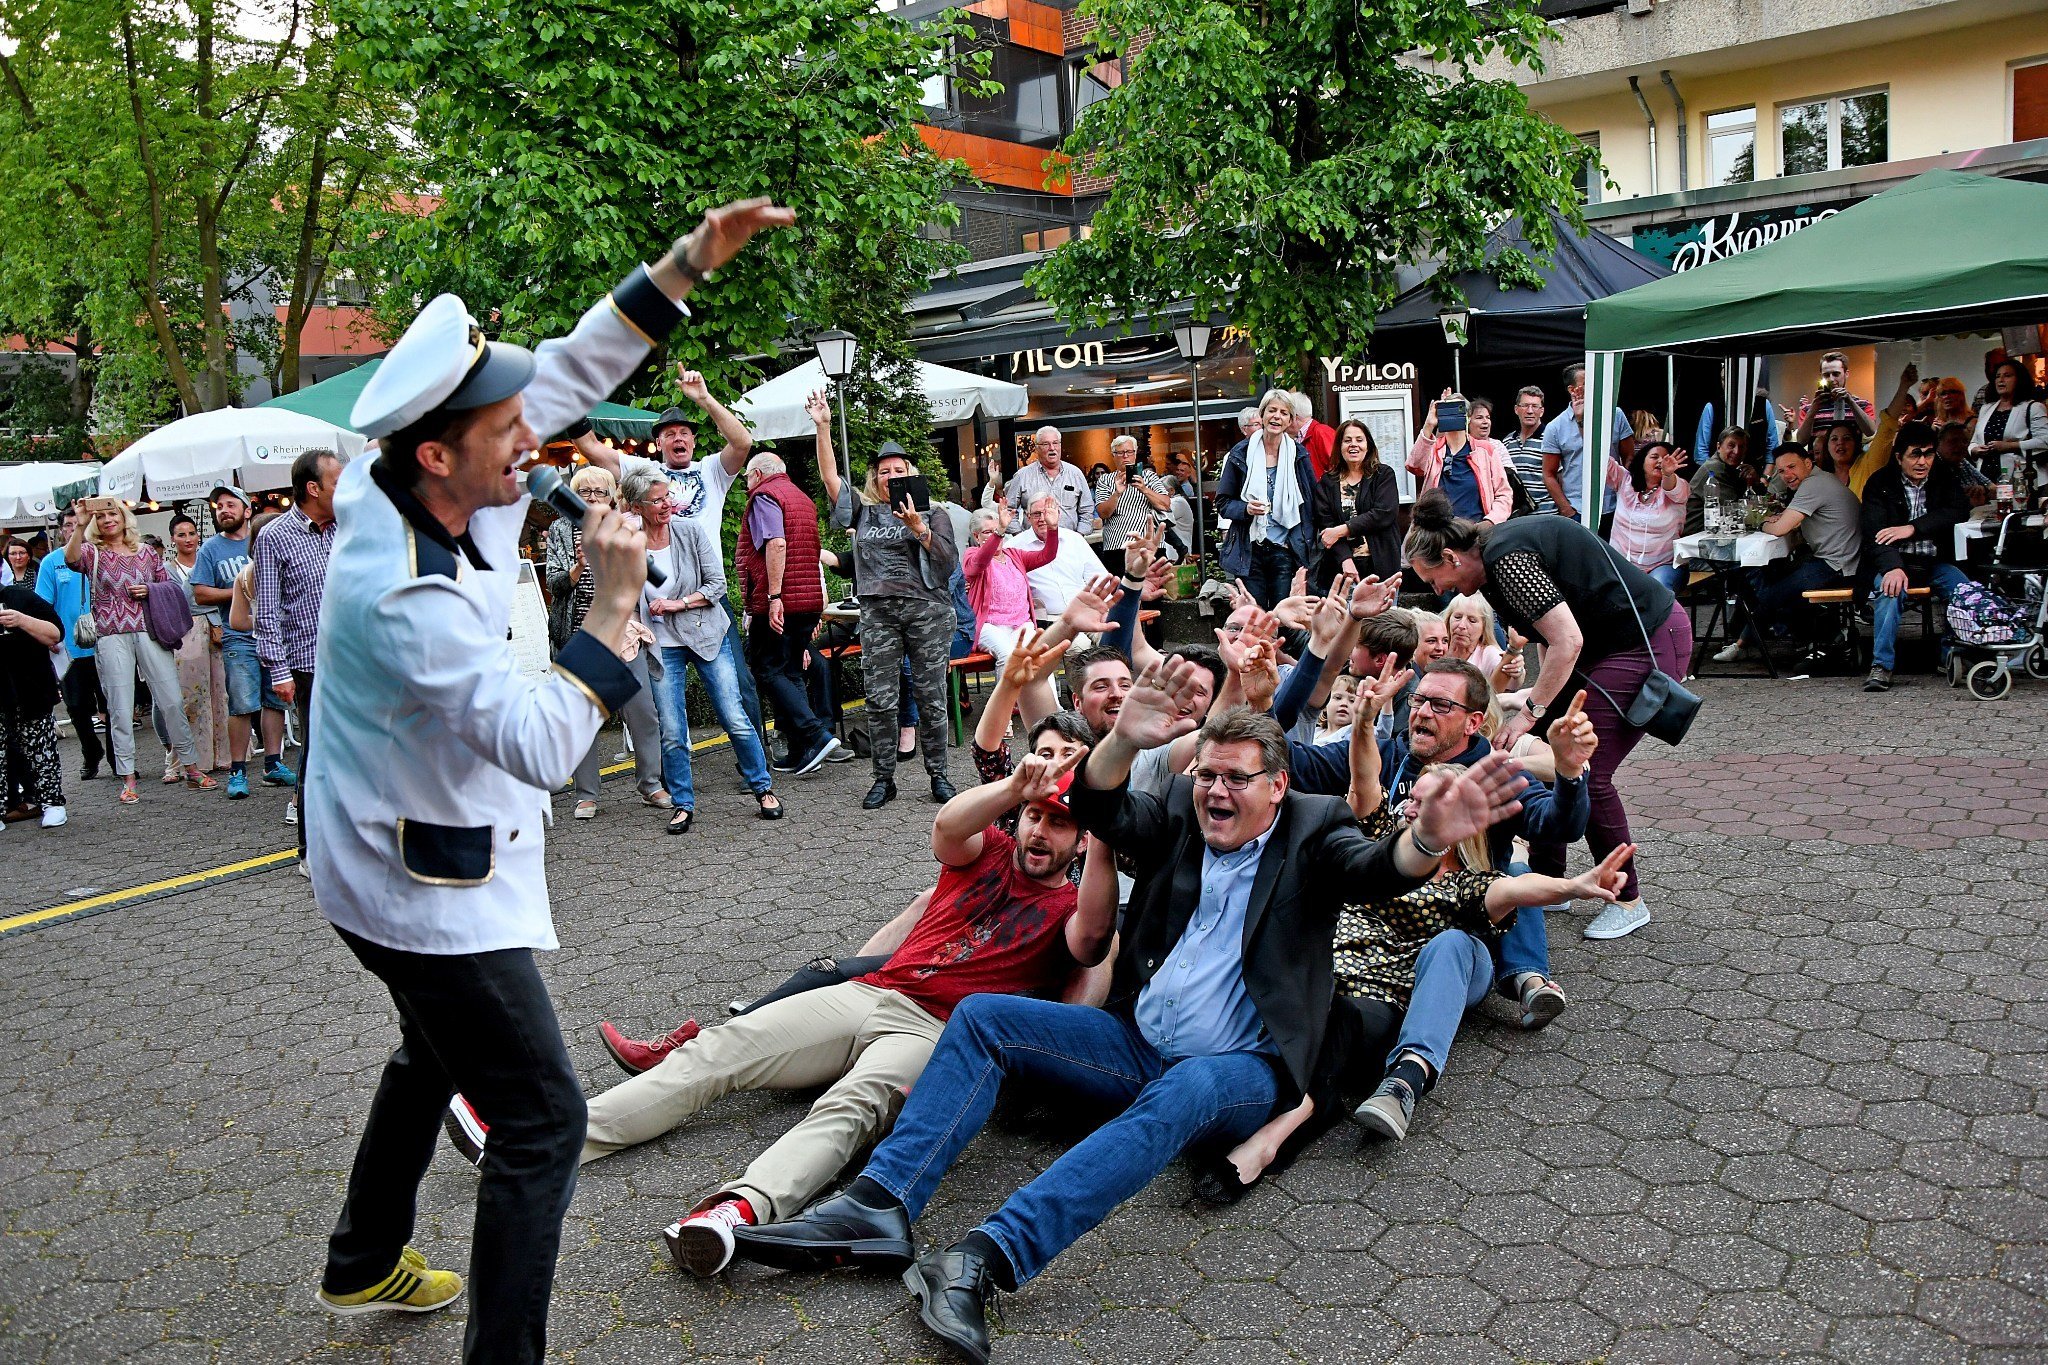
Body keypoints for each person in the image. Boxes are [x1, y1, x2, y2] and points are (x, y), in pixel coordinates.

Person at [306, 196, 790, 1360]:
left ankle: (362, 1259)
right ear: (438, 453)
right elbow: (537, 744)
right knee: (541, 1119)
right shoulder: (404, 589)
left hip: (384, 844)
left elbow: (574, 365)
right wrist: (615, 605)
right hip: (418, 889)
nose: (534, 436)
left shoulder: (416, 473)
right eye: (508, 427)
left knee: (433, 1052)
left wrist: (687, 260)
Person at [730, 672, 1529, 1364]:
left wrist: (1427, 836)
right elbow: (1101, 806)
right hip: (1138, 1041)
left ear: (1277, 786)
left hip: (1243, 1070)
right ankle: (879, 1205)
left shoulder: (1314, 828)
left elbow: (1378, 869)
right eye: (1209, 773)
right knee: (982, 1018)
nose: (1217, 791)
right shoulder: (1181, 806)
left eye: (1238, 778)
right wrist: (1119, 739)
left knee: (1184, 1092)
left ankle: (983, 1258)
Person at [459, 754, 1117, 1282]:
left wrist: (1105, 831)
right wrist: (1014, 789)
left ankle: (734, 1212)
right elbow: (948, 826)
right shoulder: (988, 850)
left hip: (936, 1033)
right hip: (869, 993)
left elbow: (1091, 941)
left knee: (850, 1108)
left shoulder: (1071, 908)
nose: (1039, 831)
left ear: (1080, 840)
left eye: (1058, 824)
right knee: (720, 1048)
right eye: (1034, 817)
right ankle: (550, 1140)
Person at [1403, 489, 1692, 941]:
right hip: (1603, 644)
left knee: (1586, 769)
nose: (1437, 591)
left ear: (1450, 557)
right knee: (1552, 749)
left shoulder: (1506, 556)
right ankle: (1548, 881)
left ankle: (1627, 898)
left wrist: (1531, 711)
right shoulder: (1491, 564)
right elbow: (1548, 636)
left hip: (1646, 639)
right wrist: (1542, 709)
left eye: (1433, 578)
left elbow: (1568, 641)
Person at [582, 367, 767, 763]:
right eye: (670, 434)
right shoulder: (645, 473)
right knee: (667, 698)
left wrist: (704, 398)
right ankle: (673, 776)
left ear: (694, 441)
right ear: (659, 443)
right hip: (656, 605)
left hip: (705, 596)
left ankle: (755, 764)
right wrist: (569, 403)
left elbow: (742, 441)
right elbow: (594, 450)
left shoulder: (711, 470)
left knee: (739, 685)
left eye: (685, 432)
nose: (679, 438)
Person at [622, 465, 780, 830]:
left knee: (734, 717)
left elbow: (717, 584)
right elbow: (626, 595)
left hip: (707, 634)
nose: (666, 504)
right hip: (664, 646)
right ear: (636, 507)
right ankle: (683, 803)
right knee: (672, 731)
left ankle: (762, 788)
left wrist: (678, 604)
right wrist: (630, 624)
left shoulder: (689, 531)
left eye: (667, 496)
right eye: (657, 500)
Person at [816, 421, 959, 811]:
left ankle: (939, 775)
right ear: (875, 479)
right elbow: (831, 479)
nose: (892, 476)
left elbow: (947, 563)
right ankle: (883, 779)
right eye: (884, 472)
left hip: (927, 612)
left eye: (899, 470)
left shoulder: (935, 513)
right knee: (880, 699)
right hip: (878, 614)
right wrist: (823, 427)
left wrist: (919, 528)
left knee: (931, 697)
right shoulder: (863, 512)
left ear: (911, 474)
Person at [63, 499, 213, 804]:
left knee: (172, 700)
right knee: (119, 707)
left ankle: (190, 766)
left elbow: (169, 588)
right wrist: (79, 524)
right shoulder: (93, 551)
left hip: (148, 629)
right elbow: (71, 559)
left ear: (124, 517)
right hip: (110, 634)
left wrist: (150, 590)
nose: (108, 520)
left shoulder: (145, 551)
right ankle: (128, 777)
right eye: (101, 516)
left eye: (113, 514)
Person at [545, 465, 666, 818]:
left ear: (612, 498)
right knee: (583, 718)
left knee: (643, 712)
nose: (593, 498)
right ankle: (586, 794)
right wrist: (578, 567)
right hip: (579, 634)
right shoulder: (561, 530)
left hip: (622, 631)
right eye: (585, 492)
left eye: (600, 492)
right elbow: (554, 584)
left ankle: (651, 784)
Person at [255, 448, 341, 861]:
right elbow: (266, 610)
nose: (346, 490)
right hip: (308, 664)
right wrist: (278, 670)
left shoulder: (348, 527)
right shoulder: (275, 536)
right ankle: (311, 852)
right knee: (317, 756)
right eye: (337, 482)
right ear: (313, 488)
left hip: (356, 659)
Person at [735, 446, 837, 777]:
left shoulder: (765, 496)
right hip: (808, 602)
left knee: (767, 670)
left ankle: (815, 735)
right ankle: (800, 751)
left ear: (757, 475)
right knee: (791, 672)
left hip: (781, 601)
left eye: (747, 478)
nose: (747, 484)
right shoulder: (802, 499)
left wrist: (774, 596)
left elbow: (776, 543)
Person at [1714, 443, 1863, 662]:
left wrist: (1761, 522)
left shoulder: (1813, 485)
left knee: (1771, 593)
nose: (1787, 475)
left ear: (1808, 463)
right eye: (1782, 471)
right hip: (1840, 559)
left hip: (1838, 565)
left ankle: (1744, 644)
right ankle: (1759, 639)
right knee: (1764, 574)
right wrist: (1782, 518)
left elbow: (1780, 529)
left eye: (1792, 467)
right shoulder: (1822, 479)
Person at [191, 485, 293, 798]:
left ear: (247, 510)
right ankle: (237, 770)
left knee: (275, 699)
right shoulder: (211, 549)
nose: (224, 510)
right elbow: (200, 593)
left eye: (230, 504)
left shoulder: (271, 541)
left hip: (275, 638)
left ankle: (273, 764)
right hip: (238, 638)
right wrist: (242, 591)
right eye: (219, 506)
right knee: (242, 703)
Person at [1861, 420, 1971, 692]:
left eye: (1929, 453)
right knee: (1890, 590)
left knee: (1963, 590)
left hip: (1934, 562)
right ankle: (1881, 665)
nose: (1923, 461)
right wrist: (1892, 567)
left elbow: (1958, 511)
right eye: (1915, 454)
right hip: (1895, 562)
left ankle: (1950, 655)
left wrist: (1913, 528)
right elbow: (1874, 533)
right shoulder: (1879, 483)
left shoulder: (1944, 477)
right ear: (1899, 457)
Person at [1217, 388, 1316, 607]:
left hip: (1286, 548)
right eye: (1272, 410)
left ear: (1290, 420)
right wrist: (1245, 509)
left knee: (1284, 614)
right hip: (1250, 549)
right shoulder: (1240, 454)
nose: (1276, 417)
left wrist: (1303, 542)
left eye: (1283, 412)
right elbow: (1223, 503)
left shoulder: (1298, 455)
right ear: (1262, 415)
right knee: (1255, 614)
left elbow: (1311, 505)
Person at [35, 506, 107, 783]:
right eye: (69, 525)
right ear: (62, 530)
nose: (74, 529)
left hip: (105, 644)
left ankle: (119, 760)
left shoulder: (102, 555)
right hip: (70, 649)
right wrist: (50, 637)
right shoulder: (51, 563)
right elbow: (43, 605)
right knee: (76, 707)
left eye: (80, 524)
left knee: (112, 705)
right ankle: (91, 751)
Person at [963, 494, 1060, 675]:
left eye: (998, 531)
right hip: (989, 626)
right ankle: (1007, 696)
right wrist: (1000, 530)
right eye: (988, 532)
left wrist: (1053, 529)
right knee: (1008, 656)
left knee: (1038, 657)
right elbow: (980, 562)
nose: (996, 536)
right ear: (976, 536)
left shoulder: (1014, 555)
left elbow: (1047, 555)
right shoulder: (972, 555)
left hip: (1021, 624)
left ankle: (1046, 696)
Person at [163, 513, 230, 775]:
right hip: (186, 631)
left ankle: (224, 754)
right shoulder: (167, 569)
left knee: (221, 692)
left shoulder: (208, 559)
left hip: (218, 626)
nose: (188, 539)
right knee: (191, 696)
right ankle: (190, 759)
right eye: (181, 535)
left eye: (191, 533)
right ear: (173, 539)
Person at [0, 573, 67, 827]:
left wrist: (21, 620)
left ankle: (52, 803)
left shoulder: (19, 596)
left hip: (31, 690)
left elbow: (55, 634)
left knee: (41, 749)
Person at [1540, 362, 1636, 525]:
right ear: (1572, 390)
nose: (1594, 386)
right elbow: (1548, 474)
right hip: (1578, 509)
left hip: (1616, 506)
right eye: (1587, 383)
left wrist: (1628, 493)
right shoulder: (1555, 427)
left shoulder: (1615, 414)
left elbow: (1629, 457)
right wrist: (1567, 510)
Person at [1310, 418, 1401, 590]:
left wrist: (1342, 530)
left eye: (1359, 440)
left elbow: (1383, 513)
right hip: (1341, 570)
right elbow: (1326, 525)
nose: (1354, 445)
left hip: (1381, 566)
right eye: (1347, 440)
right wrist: (1345, 560)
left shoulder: (1383, 475)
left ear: (1368, 445)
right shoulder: (1327, 482)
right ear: (1339, 446)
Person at [1408, 391, 1513, 524]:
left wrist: (1490, 521)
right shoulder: (1433, 449)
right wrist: (1429, 425)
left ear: (1468, 417)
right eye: (1448, 410)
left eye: (1458, 409)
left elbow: (1504, 493)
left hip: (1476, 528)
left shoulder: (1485, 450)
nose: (1453, 415)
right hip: (1439, 529)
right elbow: (1415, 466)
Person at [1605, 438, 1690, 591]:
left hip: (1663, 566)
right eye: (1654, 457)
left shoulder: (1679, 487)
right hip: (1622, 565)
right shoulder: (1625, 481)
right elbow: (1600, 457)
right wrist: (1583, 426)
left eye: (1666, 458)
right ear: (1642, 461)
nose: (1661, 462)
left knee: (1657, 589)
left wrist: (1668, 474)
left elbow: (1671, 487)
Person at [1969, 356, 2048, 484]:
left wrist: (2010, 446)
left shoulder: (2033, 407)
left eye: (2007, 376)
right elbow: (1974, 441)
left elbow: (2045, 441)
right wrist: (1975, 450)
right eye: (1997, 376)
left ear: (2019, 380)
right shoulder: (1986, 409)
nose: (2001, 380)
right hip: (1987, 478)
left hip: (2022, 478)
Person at [1004, 427, 1096, 533]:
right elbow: (1009, 510)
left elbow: (1087, 510)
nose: (1052, 448)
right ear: (1036, 448)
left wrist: (1079, 536)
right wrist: (1020, 536)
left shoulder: (1075, 474)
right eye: (1046, 444)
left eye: (1055, 443)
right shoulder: (1022, 476)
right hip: (1034, 542)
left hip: (1068, 540)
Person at [1093, 434, 1172, 557]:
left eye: (1129, 452)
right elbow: (1103, 513)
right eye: (1120, 453)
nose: (1125, 456)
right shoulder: (1105, 480)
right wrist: (1117, 493)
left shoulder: (1149, 476)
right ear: (1113, 456)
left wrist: (1144, 489)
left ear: (1135, 454)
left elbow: (1165, 505)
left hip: (1150, 545)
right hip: (1117, 545)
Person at [1793, 350, 1878, 441]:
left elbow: (1871, 432)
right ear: (1821, 376)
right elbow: (1801, 441)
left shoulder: (1863, 405)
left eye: (1836, 374)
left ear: (1846, 374)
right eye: (1826, 375)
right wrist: (1813, 410)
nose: (1831, 379)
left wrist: (1851, 403)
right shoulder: (1808, 409)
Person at [1502, 385, 1554, 516]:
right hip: (1518, 518)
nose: (1530, 411)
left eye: (1535, 406)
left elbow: (1561, 479)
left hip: (1547, 515)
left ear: (1542, 411)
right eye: (1525, 406)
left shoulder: (1551, 439)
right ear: (1516, 409)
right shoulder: (1507, 442)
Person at [1287, 390, 1337, 480]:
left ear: (1294, 417)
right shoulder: (1301, 436)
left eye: (1285, 413)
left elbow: (1336, 466)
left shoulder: (1321, 432)